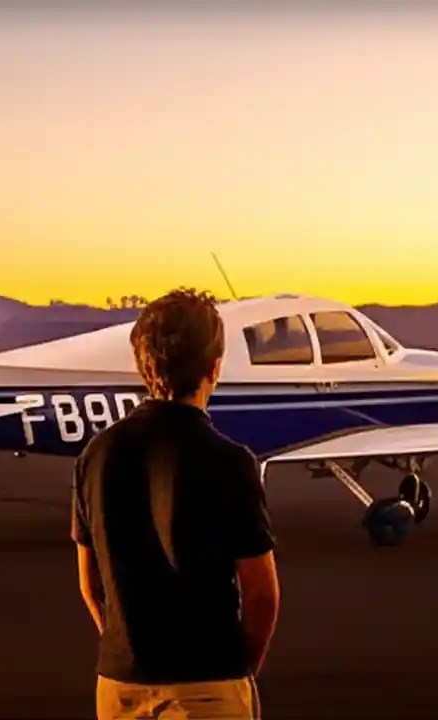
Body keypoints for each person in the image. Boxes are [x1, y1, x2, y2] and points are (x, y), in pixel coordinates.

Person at [72, 288, 281, 719]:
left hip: (118, 686)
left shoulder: (96, 454)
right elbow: (262, 595)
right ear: (214, 367)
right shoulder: (230, 461)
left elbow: (90, 583)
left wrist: (126, 650)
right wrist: (240, 670)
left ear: (142, 364)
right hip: (207, 685)